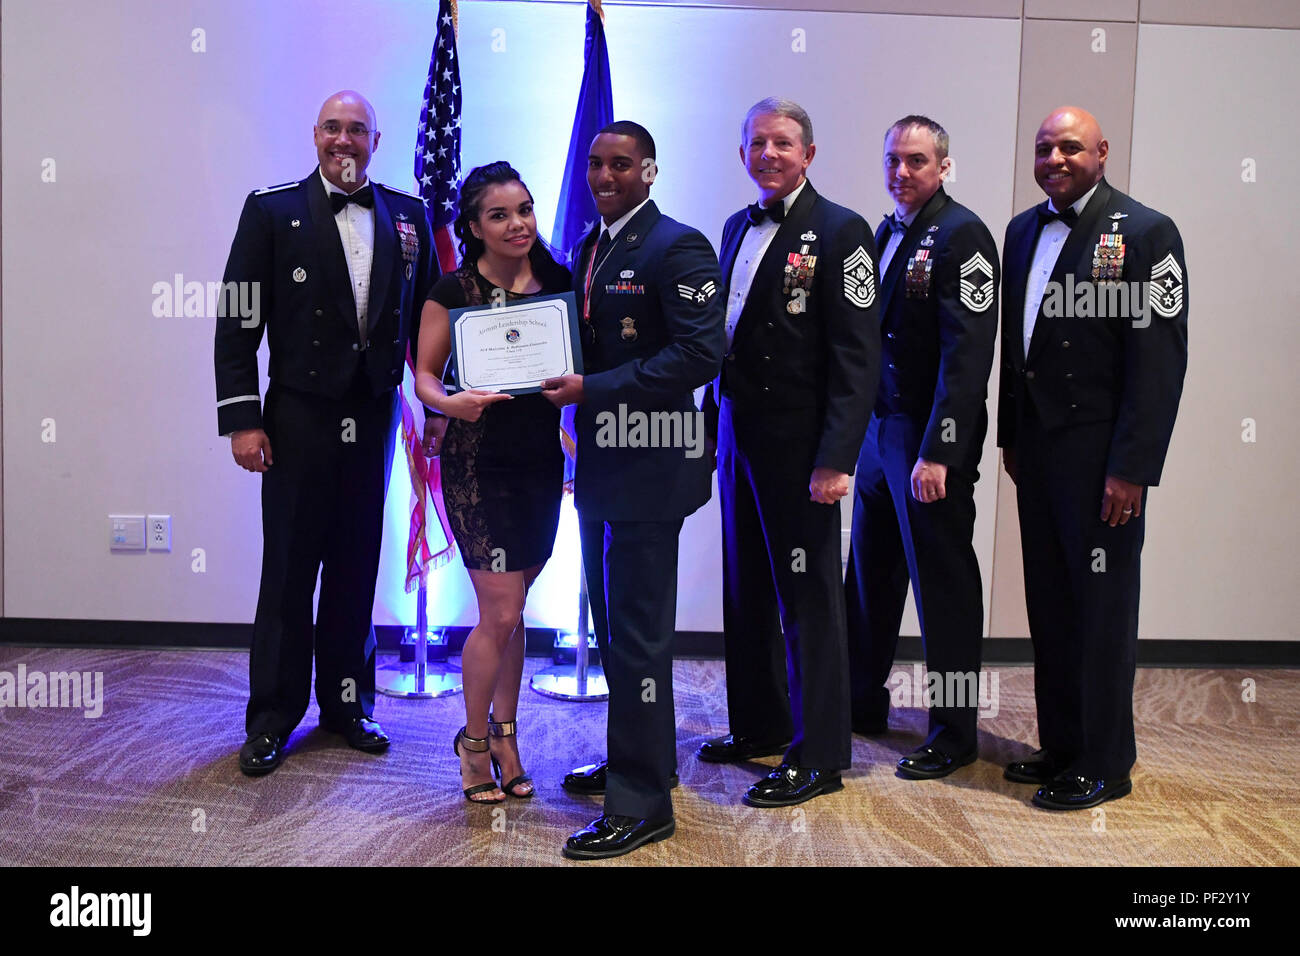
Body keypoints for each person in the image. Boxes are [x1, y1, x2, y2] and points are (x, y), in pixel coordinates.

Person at [215, 90, 434, 775]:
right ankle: (273, 717)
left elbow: (427, 316)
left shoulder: (409, 214)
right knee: (287, 570)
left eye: (358, 130)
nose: (345, 140)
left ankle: (345, 705)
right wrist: (242, 420)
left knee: (353, 563)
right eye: (334, 128)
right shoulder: (271, 209)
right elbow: (237, 320)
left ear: (377, 140)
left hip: (370, 416)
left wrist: (434, 401)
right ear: (315, 135)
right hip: (297, 416)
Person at [542, 121, 725, 859]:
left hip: (650, 465)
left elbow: (700, 352)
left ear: (650, 171)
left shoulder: (677, 245)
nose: (604, 174)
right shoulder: (594, 243)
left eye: (621, 163)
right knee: (616, 631)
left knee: (640, 636)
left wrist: (594, 389)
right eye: (595, 162)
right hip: (603, 468)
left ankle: (642, 805)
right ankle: (637, 764)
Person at [998, 106, 1188, 810]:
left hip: (1103, 458)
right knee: (1050, 605)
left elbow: (1159, 360)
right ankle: (1064, 743)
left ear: (1102, 152)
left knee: (1102, 609)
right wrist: (1011, 437)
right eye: (1045, 147)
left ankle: (1106, 761)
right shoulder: (1022, 229)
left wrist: (1132, 468)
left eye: (1070, 147)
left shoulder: (1146, 232)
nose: (1055, 159)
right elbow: (1015, 347)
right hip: (1039, 454)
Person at [699, 98, 880, 807]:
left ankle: (819, 752)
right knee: (744, 589)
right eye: (756, 143)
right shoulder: (735, 226)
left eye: (782, 143)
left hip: (805, 447)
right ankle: (760, 724)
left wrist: (837, 458)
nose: (768, 154)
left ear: (809, 153)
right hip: (741, 433)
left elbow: (857, 358)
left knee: (808, 598)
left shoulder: (844, 231)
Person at [843, 116, 999, 779]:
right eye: (892, 160)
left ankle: (954, 730)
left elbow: (967, 359)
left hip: (926, 434)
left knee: (943, 588)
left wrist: (940, 450)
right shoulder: (885, 231)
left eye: (915, 160)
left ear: (943, 166)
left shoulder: (963, 235)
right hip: (880, 433)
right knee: (869, 581)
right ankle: (859, 701)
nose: (901, 171)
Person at [414, 162, 570, 803]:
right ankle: (474, 744)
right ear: (474, 226)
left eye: (525, 210)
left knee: (515, 613)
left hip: (539, 461)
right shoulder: (451, 290)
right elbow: (424, 375)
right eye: (500, 215)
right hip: (479, 465)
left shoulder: (558, 281)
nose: (518, 224)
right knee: (499, 612)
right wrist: (451, 406)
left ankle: (507, 735)